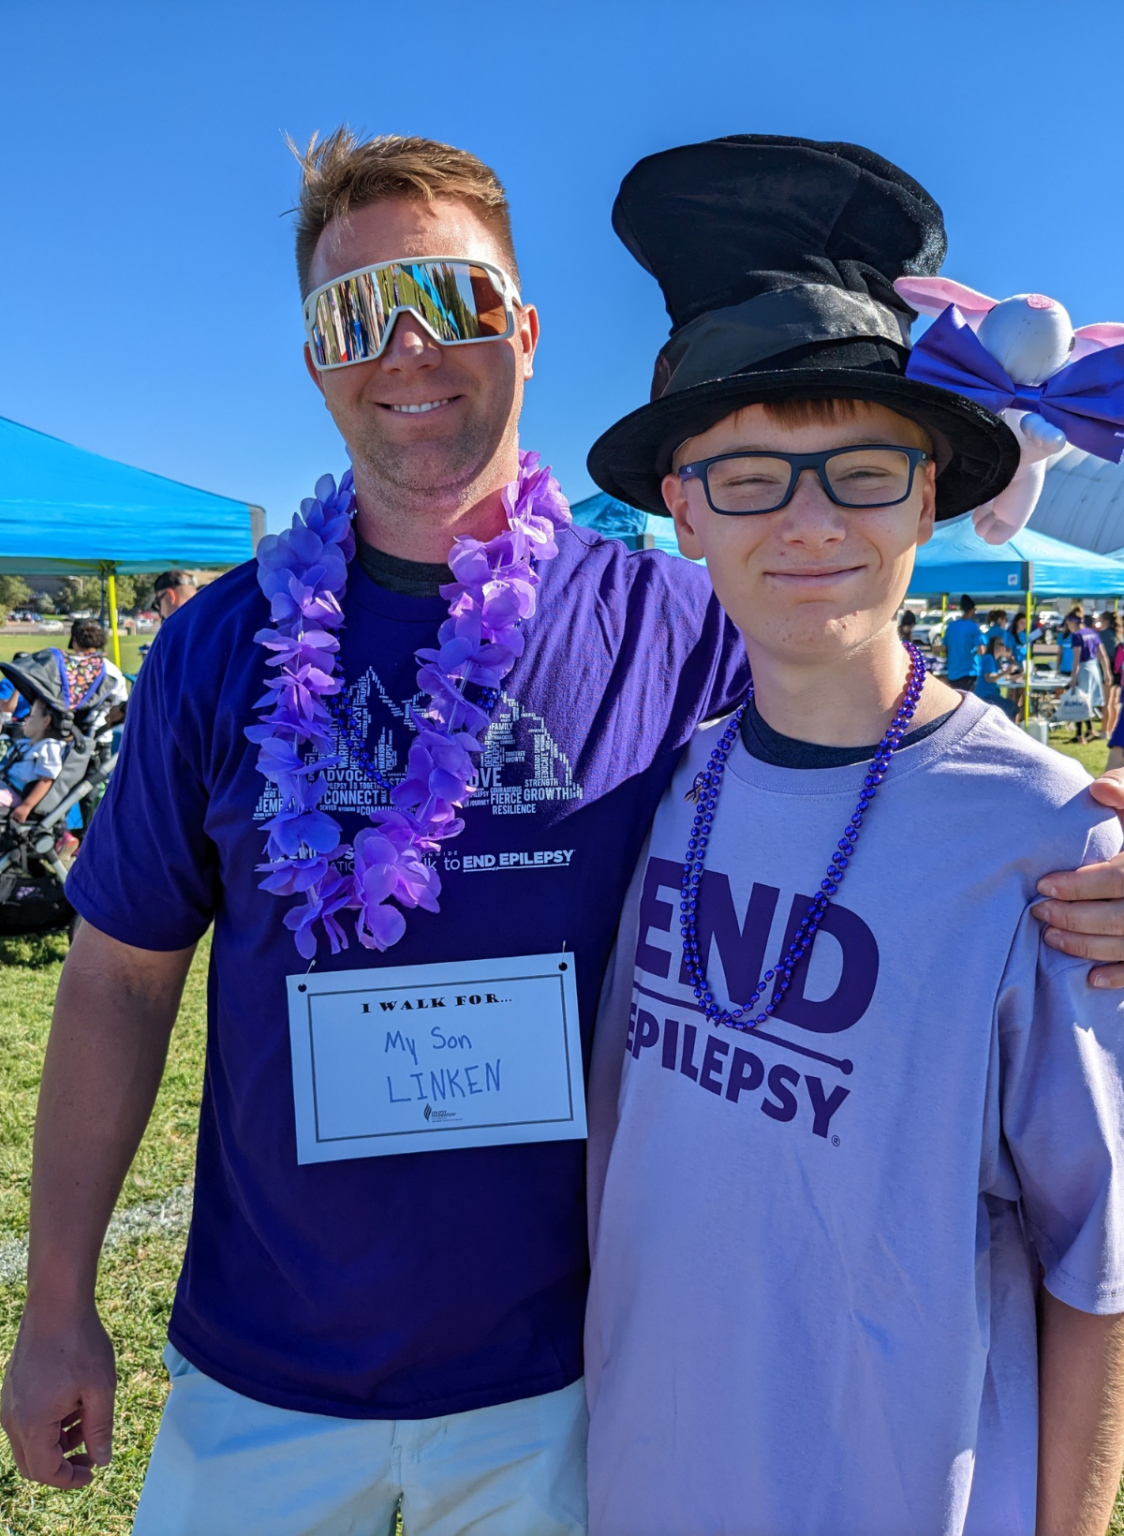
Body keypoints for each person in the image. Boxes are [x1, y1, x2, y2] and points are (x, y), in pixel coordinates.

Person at [4, 128, 1124, 1536]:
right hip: (260, 1378)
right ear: (315, 360)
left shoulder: (680, 624)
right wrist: (57, 1306)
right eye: (359, 312)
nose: (409, 346)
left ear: (523, 330)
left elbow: (869, 707)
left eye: (453, 300)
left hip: (570, 1387)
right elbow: (114, 978)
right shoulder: (217, 649)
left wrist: (1078, 835)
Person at [582, 135, 1124, 1536]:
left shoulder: (1046, 842)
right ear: (685, 511)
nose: (811, 521)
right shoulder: (669, 788)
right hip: (645, 1484)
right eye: (751, 476)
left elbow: (1098, 1273)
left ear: (930, 494)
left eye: (861, 471)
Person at [0, 697, 66, 822]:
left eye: (31, 715)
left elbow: (46, 779)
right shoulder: (26, 743)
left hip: (13, 793)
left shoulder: (48, 746)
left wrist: (26, 806)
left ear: (45, 721)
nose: (26, 719)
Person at [1064, 610, 1110, 744]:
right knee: (1088, 701)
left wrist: (1073, 677)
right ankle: (1090, 729)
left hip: (1084, 669)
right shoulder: (1092, 633)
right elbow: (1102, 654)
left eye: (1068, 623)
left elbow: (1077, 659)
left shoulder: (1077, 636)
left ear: (1073, 622)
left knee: (1081, 701)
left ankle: (1079, 735)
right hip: (1094, 668)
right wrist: (1107, 672)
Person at [941, 593, 982, 689]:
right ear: (972, 610)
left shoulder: (951, 626)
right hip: (969, 672)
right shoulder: (973, 627)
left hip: (953, 673)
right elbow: (981, 650)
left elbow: (943, 648)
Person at [976, 632, 1020, 719]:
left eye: (1004, 644)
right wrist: (1006, 672)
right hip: (985, 696)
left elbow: (1000, 678)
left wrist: (1018, 675)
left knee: (1013, 706)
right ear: (993, 645)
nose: (1003, 647)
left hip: (991, 695)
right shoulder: (988, 658)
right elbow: (990, 678)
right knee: (1012, 707)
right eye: (1000, 644)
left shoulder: (995, 660)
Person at [1098, 610, 1122, 739]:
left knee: (1106, 703)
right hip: (1118, 670)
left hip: (1107, 670)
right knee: (1113, 703)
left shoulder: (1102, 635)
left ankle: (1104, 730)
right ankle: (1111, 729)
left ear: (1105, 621)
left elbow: (1103, 655)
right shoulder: (1117, 634)